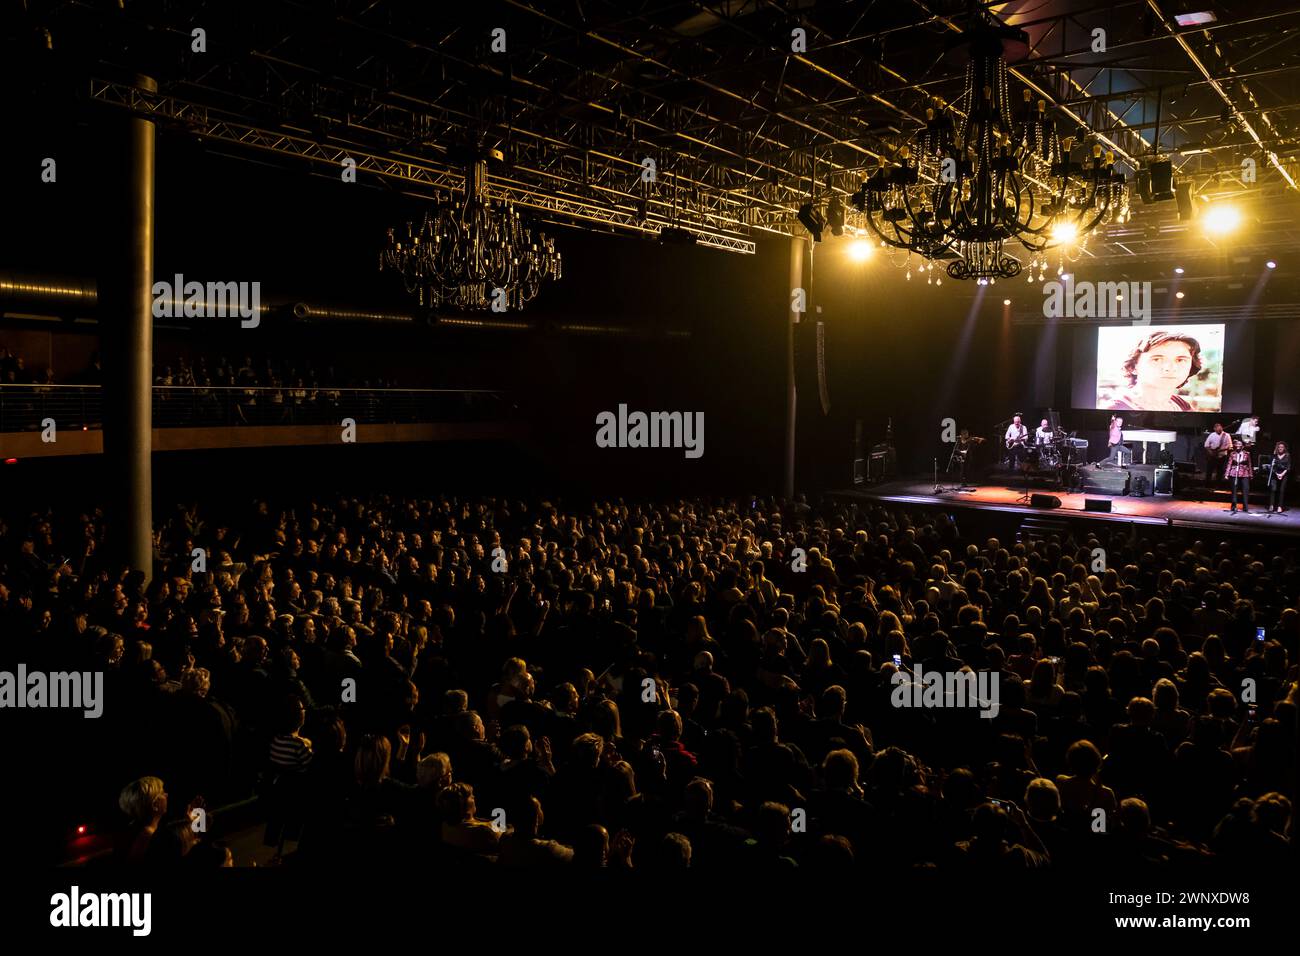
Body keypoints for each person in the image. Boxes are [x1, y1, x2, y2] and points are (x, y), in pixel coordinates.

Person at [1107, 331, 1204, 411]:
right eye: (1157, 359)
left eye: (1180, 360)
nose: (1170, 367)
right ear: (1134, 366)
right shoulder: (1115, 408)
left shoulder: (1181, 405)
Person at [1226, 439, 1253, 515]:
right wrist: (1226, 474)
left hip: (1245, 473)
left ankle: (1245, 506)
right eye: (1237, 444)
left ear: (1242, 446)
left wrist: (1251, 474)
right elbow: (1229, 464)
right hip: (1234, 473)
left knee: (1245, 490)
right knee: (1234, 490)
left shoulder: (1247, 454)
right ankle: (1234, 506)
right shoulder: (1232, 454)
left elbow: (1249, 464)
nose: (1238, 445)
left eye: (1239, 444)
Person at [1267, 441, 1290, 514]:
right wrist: (1277, 474)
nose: (1280, 448)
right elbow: (1271, 466)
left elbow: (1288, 467)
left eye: (1282, 447)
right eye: (1279, 447)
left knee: (1281, 490)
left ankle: (1280, 506)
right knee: (1273, 489)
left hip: (1284, 474)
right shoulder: (1274, 456)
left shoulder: (1287, 456)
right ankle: (1271, 505)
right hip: (1275, 474)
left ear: (1284, 448)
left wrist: (1282, 474)